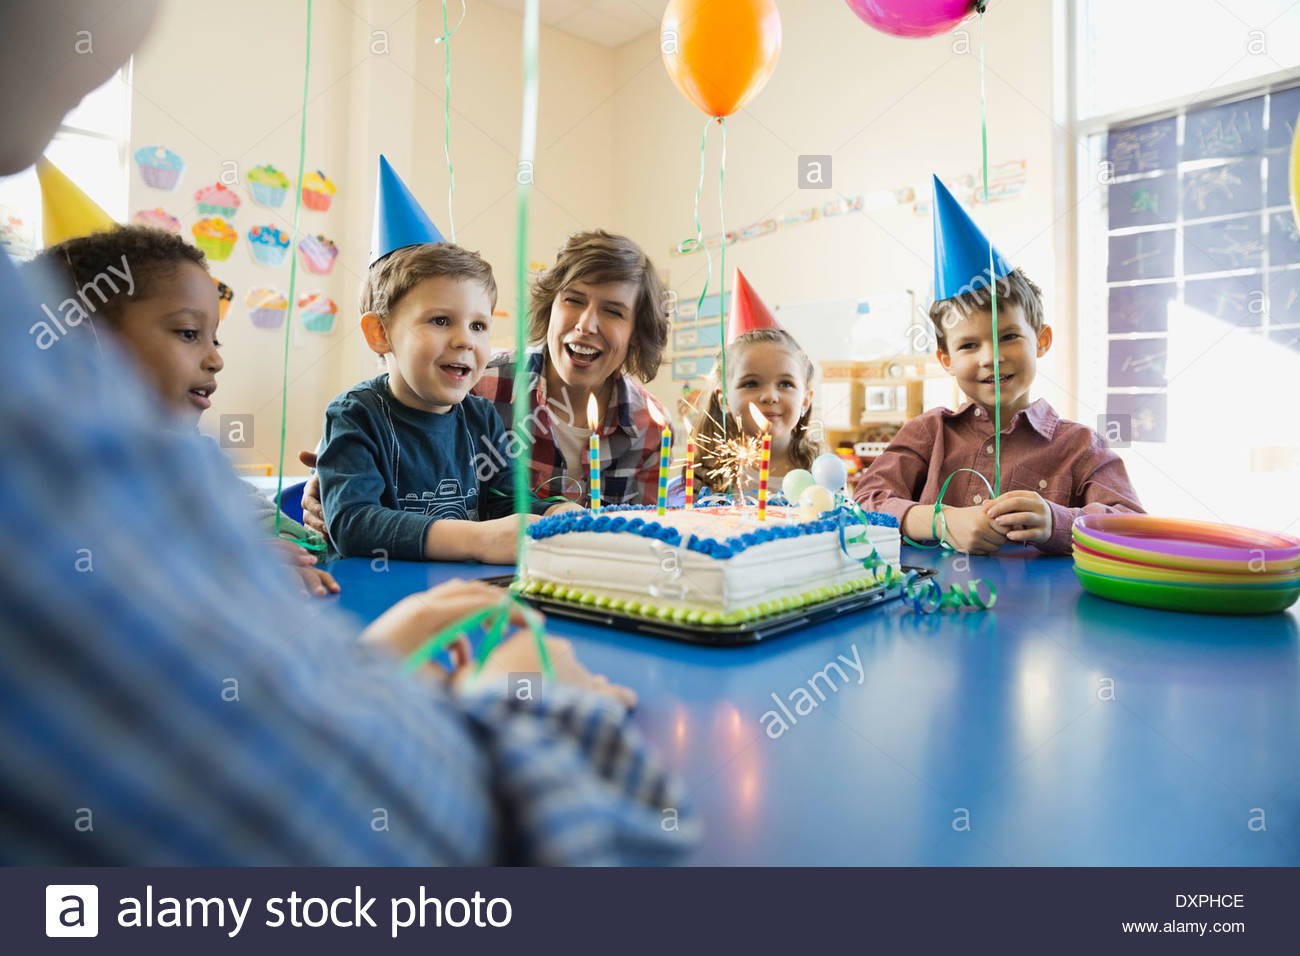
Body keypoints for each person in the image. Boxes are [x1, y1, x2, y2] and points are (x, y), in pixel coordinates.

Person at [0, 0, 695, 865]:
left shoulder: (575, 416)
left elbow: (558, 523)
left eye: (479, 328)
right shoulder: (440, 399)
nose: (468, 349)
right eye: (440, 324)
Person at [31, 224, 338, 595]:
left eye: (215, 338)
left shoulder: (190, 453)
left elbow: (268, 528)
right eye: (188, 333)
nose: (215, 359)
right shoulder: (44, 465)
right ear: (87, 344)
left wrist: (319, 527)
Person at [299, 229, 672, 532]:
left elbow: (645, 541)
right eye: (573, 300)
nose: (586, 324)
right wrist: (326, 483)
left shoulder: (652, 430)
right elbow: (376, 419)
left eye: (613, 311)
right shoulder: (474, 382)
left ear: (637, 332)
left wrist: (554, 512)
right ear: (550, 306)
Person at [853, 176, 1142, 555]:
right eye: (969, 345)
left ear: (1041, 340)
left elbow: (1132, 526)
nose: (991, 357)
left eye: (1008, 336)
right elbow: (863, 506)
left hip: (1044, 614)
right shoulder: (926, 434)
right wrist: (941, 520)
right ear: (947, 360)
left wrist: (1059, 522)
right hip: (934, 611)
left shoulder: (1082, 447)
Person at [318, 241, 577, 563]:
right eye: (441, 320)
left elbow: (506, 500)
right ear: (380, 332)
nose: (465, 340)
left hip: (464, 593)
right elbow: (353, 523)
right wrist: (479, 539)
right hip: (379, 599)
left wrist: (554, 512)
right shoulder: (355, 415)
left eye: (478, 325)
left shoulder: (482, 416)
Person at [681, 270, 821, 502]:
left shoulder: (819, 473)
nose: (769, 395)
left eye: (785, 383)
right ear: (723, 399)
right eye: (751, 383)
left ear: (806, 399)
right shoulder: (705, 475)